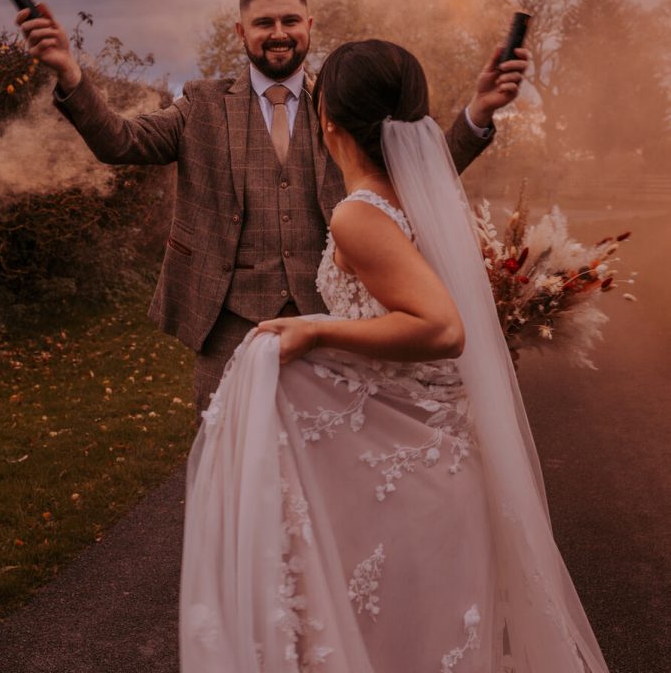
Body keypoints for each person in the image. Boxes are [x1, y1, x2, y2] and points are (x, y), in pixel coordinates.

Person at [179, 40, 611, 673]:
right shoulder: (429, 207)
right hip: (442, 465)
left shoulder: (360, 215)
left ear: (326, 120)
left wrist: (317, 333)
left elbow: (440, 328)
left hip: (405, 480)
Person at [16, 0, 527, 417]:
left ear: (310, 26)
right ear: (241, 31)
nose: (278, 33)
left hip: (330, 321)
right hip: (227, 325)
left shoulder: (341, 104)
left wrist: (479, 110)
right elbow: (120, 142)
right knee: (231, 466)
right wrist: (69, 70)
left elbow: (417, 168)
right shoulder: (202, 104)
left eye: (290, 20)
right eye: (264, 23)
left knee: (322, 478)